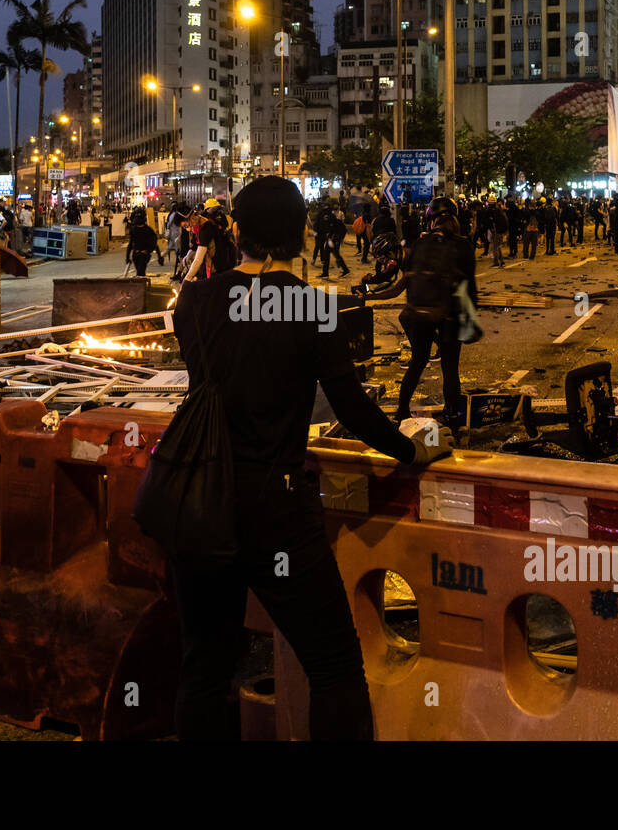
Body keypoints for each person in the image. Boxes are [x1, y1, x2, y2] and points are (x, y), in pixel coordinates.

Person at [168, 175, 447, 741]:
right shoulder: (313, 308)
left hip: (202, 505)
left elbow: (206, 372)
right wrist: (411, 447)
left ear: (238, 232)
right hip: (279, 512)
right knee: (335, 667)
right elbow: (353, 406)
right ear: (299, 234)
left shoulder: (194, 301)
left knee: (205, 667)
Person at [370, 197, 477, 433]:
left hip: (416, 315)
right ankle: (452, 419)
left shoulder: (420, 243)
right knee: (450, 368)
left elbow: (404, 283)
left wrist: (368, 293)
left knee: (418, 362)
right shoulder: (462, 245)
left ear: (430, 220)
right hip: (447, 315)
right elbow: (469, 287)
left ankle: (401, 411)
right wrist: (469, 320)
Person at [183, 199, 237, 283]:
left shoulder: (206, 225)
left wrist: (187, 278)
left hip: (215, 262)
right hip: (222, 260)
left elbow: (199, 255)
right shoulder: (219, 218)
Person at [126, 207, 161, 276]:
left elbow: (154, 243)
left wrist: (149, 251)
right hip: (136, 254)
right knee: (140, 272)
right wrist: (127, 256)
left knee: (140, 272)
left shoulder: (147, 230)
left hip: (143, 254)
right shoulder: (134, 229)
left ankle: (140, 285)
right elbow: (130, 243)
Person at [318, 206, 350, 279]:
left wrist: (333, 240)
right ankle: (326, 273)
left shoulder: (331, 219)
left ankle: (344, 270)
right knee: (331, 255)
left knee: (332, 255)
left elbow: (334, 230)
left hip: (334, 239)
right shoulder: (330, 218)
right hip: (332, 239)